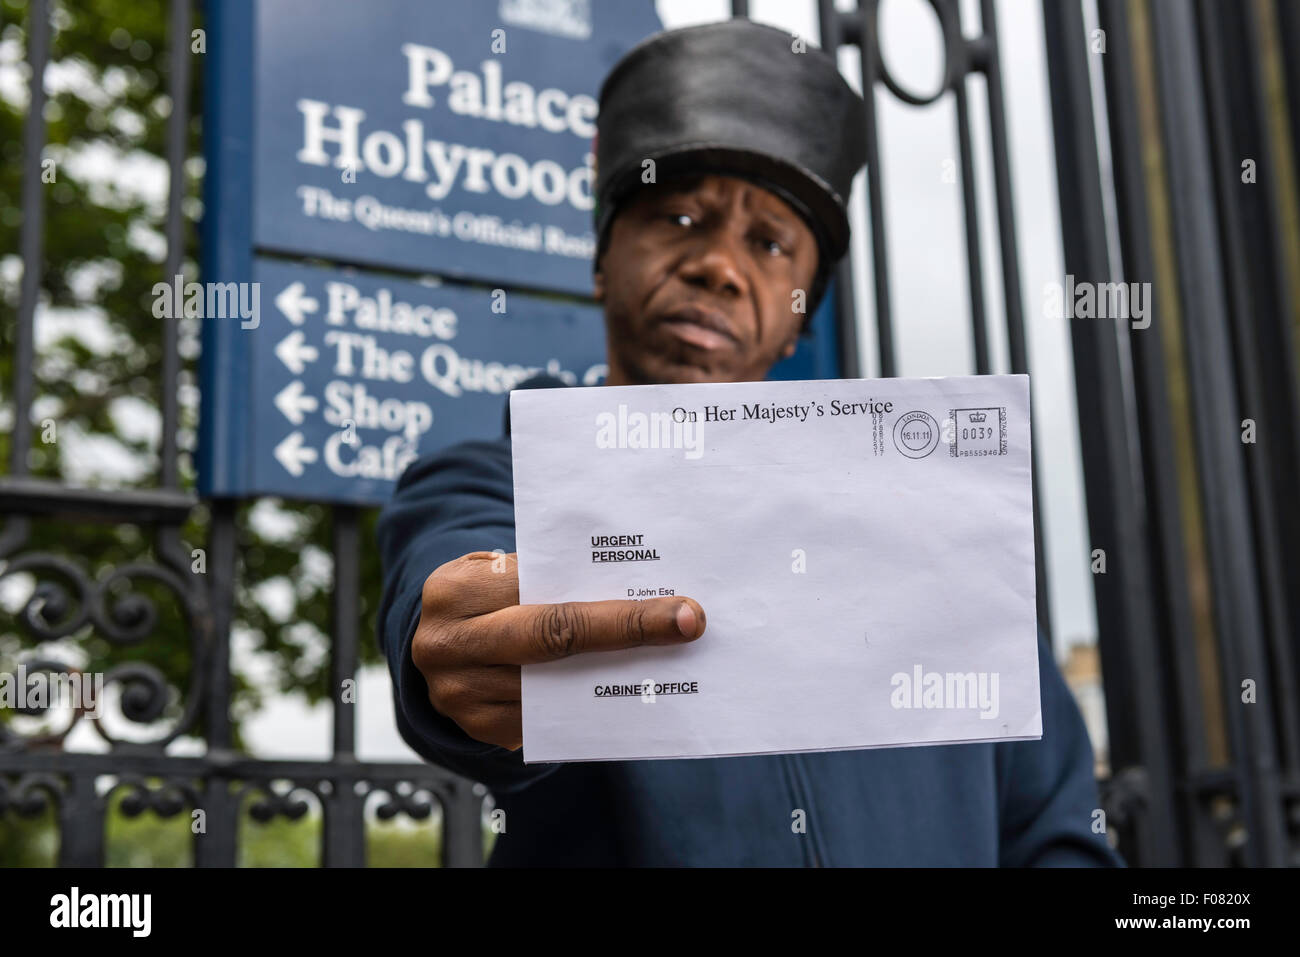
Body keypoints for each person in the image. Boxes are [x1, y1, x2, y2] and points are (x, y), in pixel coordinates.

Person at [376, 19, 1122, 866]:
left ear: (803, 312)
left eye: (769, 243)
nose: (720, 266)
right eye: (678, 216)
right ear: (602, 259)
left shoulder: (936, 522)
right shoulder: (496, 480)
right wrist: (462, 651)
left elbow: (1057, 832)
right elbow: (445, 585)